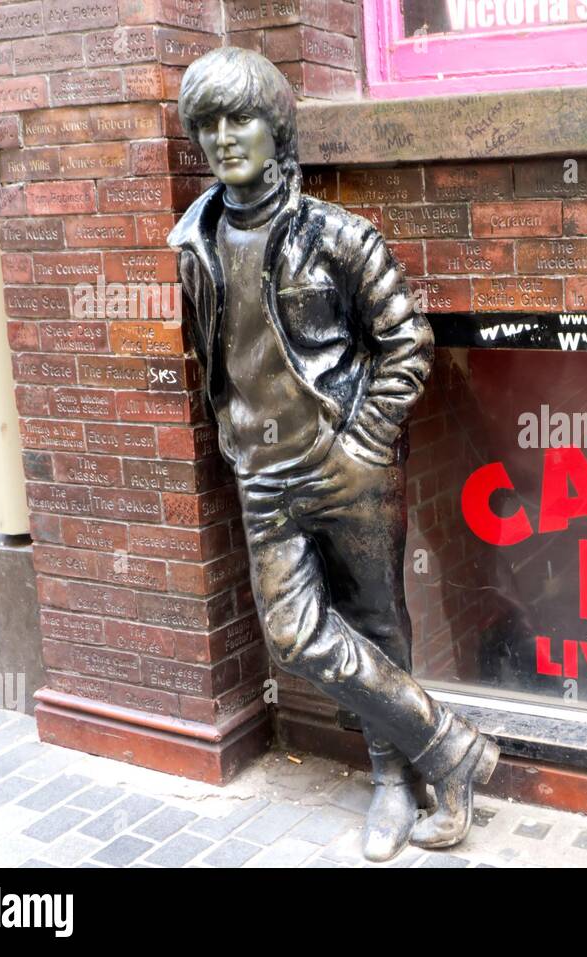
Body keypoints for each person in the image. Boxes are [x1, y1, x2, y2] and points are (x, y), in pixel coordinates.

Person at [168, 46, 497, 861]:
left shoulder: (337, 236)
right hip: (262, 472)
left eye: (238, 118)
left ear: (277, 129)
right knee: (293, 633)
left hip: (346, 460)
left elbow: (406, 342)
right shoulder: (197, 243)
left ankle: (394, 778)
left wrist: (363, 439)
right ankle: (449, 748)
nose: (221, 138)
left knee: (379, 620)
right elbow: (219, 357)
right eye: (206, 125)